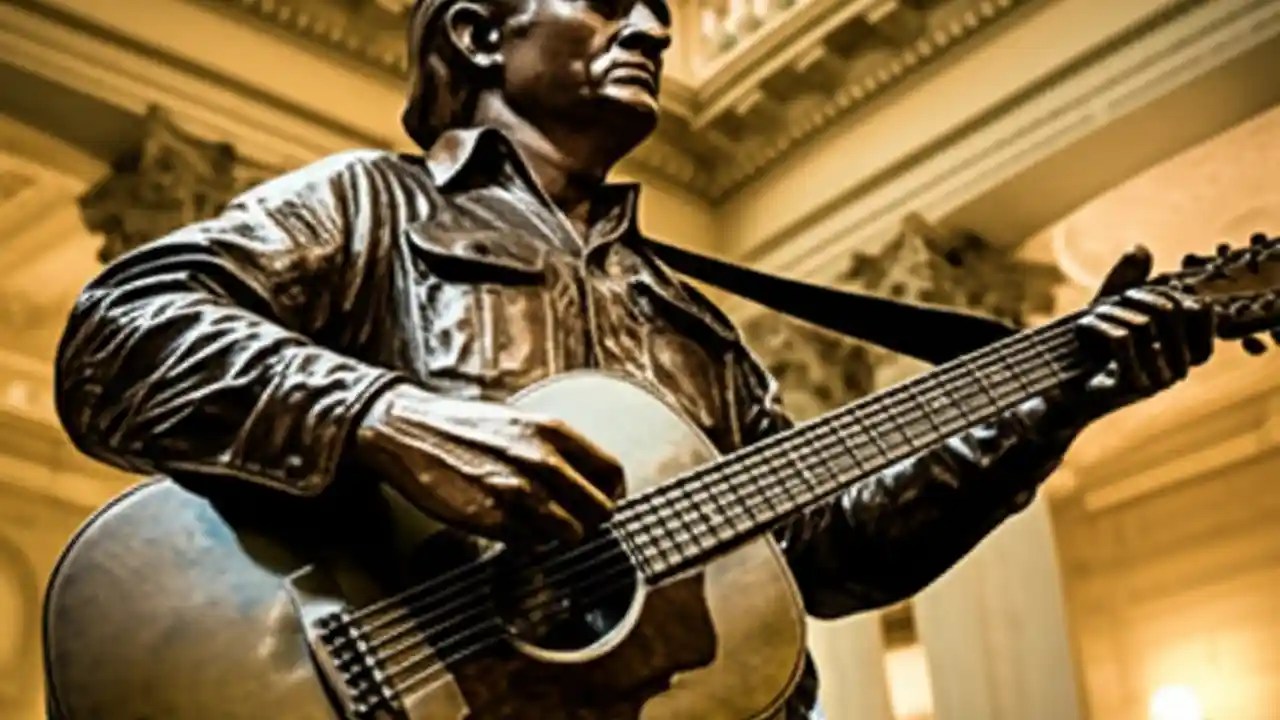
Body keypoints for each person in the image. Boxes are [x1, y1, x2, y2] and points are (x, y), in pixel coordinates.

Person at [52, 0, 1214, 717]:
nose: (656, 26)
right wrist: (387, 418)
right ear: (476, 32)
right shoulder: (371, 207)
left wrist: (1051, 405)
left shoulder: (693, 319)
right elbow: (121, 334)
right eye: (612, 2)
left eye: (657, 9)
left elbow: (820, 557)